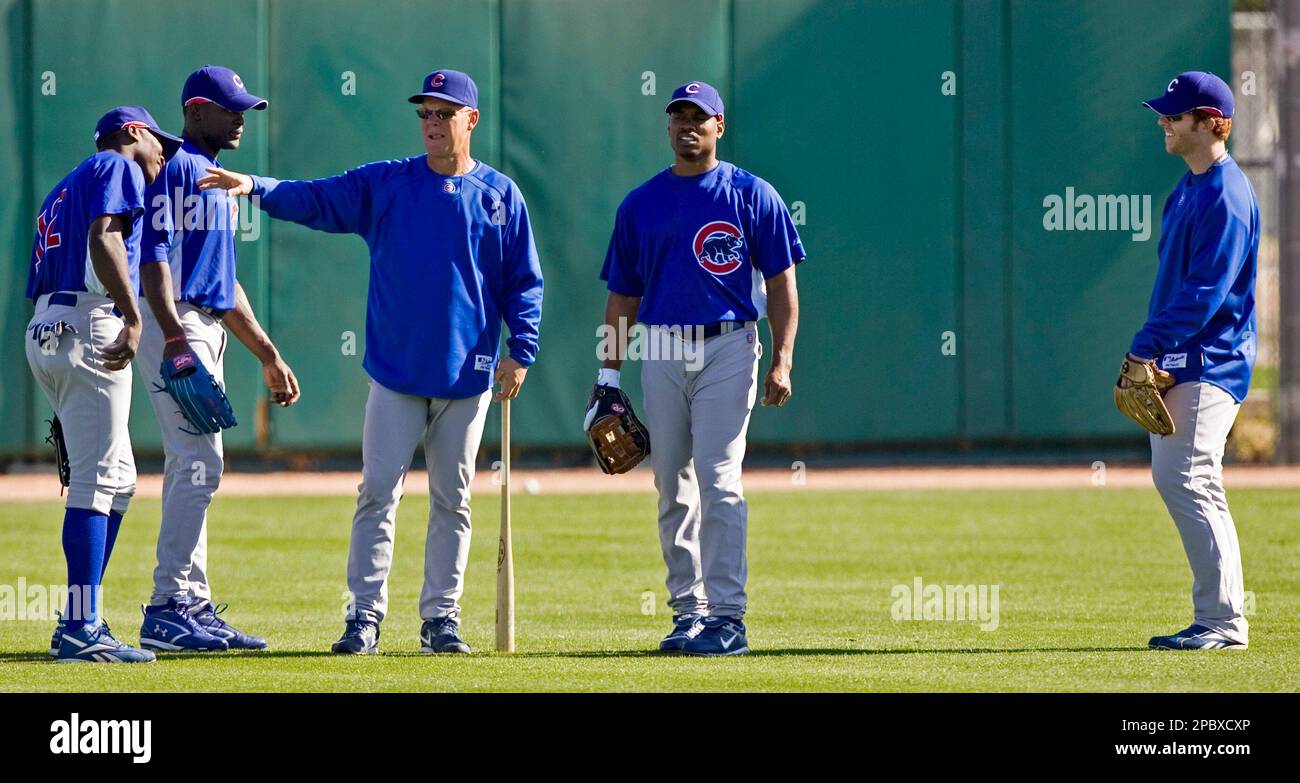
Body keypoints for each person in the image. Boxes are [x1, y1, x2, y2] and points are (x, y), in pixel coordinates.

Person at [198, 68, 544, 655]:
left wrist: (521, 351)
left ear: (471, 120)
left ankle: (441, 619)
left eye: (444, 113)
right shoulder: (387, 183)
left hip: (468, 374)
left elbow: (523, 281)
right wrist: (254, 185)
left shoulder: (500, 194)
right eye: (425, 114)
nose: (432, 123)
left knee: (452, 499)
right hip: (395, 372)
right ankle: (363, 617)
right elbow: (315, 198)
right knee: (378, 491)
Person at [591, 81, 804, 656]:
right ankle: (690, 611)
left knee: (718, 478)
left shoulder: (752, 195)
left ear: (719, 126)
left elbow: (783, 285)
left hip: (729, 344)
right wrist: (608, 376)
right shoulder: (640, 203)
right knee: (671, 485)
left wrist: (781, 357)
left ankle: (728, 618)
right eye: (678, 116)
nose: (688, 125)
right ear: (667, 127)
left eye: (699, 117)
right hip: (660, 345)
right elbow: (622, 298)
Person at [137, 65, 298, 653]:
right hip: (177, 325)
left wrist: (268, 354)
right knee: (199, 463)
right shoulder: (178, 168)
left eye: (244, 109)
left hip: (202, 326)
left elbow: (224, 285)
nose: (239, 119)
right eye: (230, 108)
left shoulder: (214, 177)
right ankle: (168, 607)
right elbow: (151, 261)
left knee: (196, 468)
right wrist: (173, 337)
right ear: (195, 109)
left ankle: (191, 604)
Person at [27, 106, 181, 663]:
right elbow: (105, 238)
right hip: (88, 320)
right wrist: (131, 315)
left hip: (51, 322)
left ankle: (78, 615)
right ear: (131, 133)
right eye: (157, 138)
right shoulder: (118, 166)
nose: (163, 151)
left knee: (118, 480)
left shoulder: (64, 186)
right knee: (98, 480)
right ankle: (79, 627)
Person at [1130, 71, 1258, 650]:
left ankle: (1224, 622)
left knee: (1187, 476)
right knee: (1183, 477)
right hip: (1182, 358)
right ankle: (1219, 617)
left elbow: (1207, 292)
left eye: (1175, 116)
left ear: (1210, 123)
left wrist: (1148, 343)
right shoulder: (1186, 188)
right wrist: (1157, 351)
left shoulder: (1228, 195)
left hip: (1213, 358)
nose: (1164, 122)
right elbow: (1174, 285)